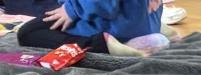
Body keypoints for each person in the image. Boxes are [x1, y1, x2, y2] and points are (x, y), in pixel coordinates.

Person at [13, 0, 158, 54]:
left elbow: (105, 6)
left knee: (28, 32)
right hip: (142, 20)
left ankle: (102, 44)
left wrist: (72, 9)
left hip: (120, 26)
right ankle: (156, 30)